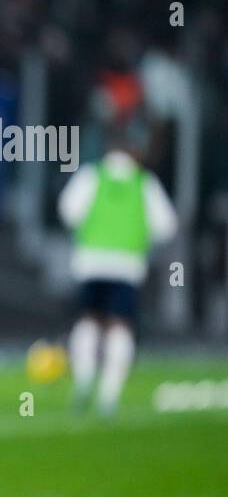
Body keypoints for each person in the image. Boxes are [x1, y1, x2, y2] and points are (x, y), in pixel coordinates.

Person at [58, 122, 177, 416]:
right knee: (120, 326)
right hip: (127, 266)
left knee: (88, 320)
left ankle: (83, 381)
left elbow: (68, 211)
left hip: (90, 262)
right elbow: (166, 226)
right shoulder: (144, 182)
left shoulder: (91, 175)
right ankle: (109, 394)